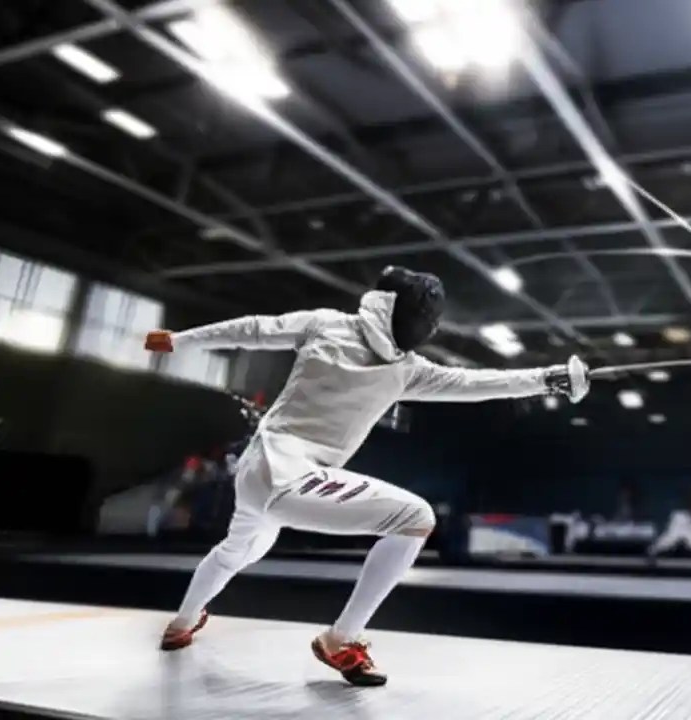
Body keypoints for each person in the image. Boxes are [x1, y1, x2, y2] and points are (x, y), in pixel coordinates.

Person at [145, 266, 590, 686]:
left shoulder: (395, 361)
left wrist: (548, 378)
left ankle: (181, 624)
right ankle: (339, 640)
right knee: (415, 518)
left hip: (258, 469)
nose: (430, 328)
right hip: (288, 476)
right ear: (400, 311)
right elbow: (257, 329)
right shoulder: (344, 335)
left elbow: (478, 384)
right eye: (426, 318)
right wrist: (182, 339)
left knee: (239, 549)